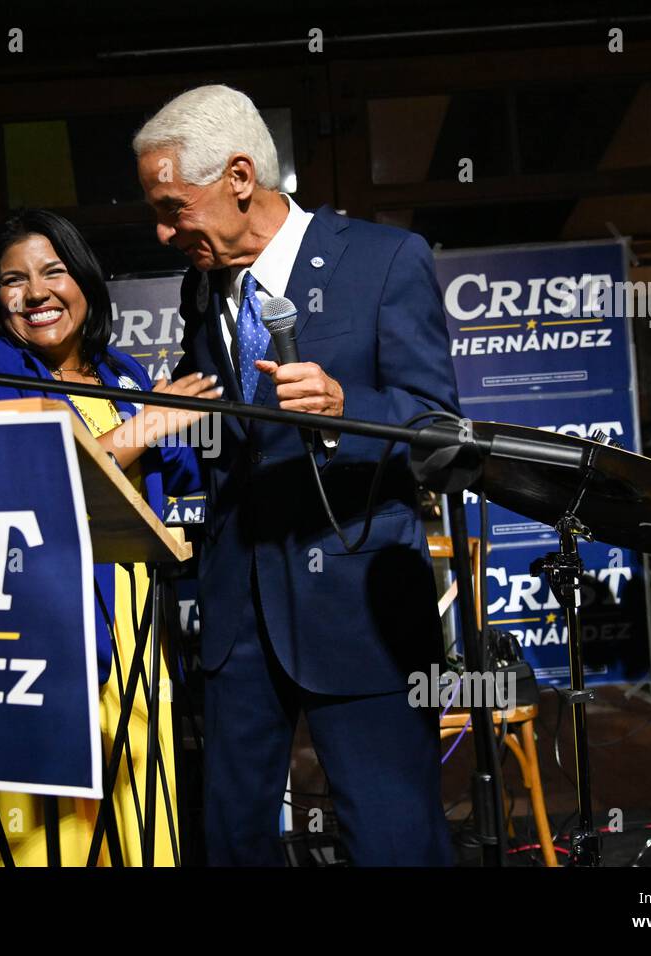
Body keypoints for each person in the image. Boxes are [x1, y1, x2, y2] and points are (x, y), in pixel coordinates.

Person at [134, 84, 462, 865]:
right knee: (230, 839)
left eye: (174, 206)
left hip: (360, 607)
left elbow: (440, 434)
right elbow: (228, 425)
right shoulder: (202, 283)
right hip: (237, 611)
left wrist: (353, 405)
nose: (162, 229)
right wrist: (162, 420)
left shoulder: (385, 262)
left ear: (240, 177)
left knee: (392, 840)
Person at [0, 208, 220, 865]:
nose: (35, 292)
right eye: (14, 280)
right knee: (43, 832)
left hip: (131, 622)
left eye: (53, 270)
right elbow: (9, 482)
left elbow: (179, 474)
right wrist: (134, 434)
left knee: (138, 815)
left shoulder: (122, 375)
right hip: (33, 630)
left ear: (85, 282)